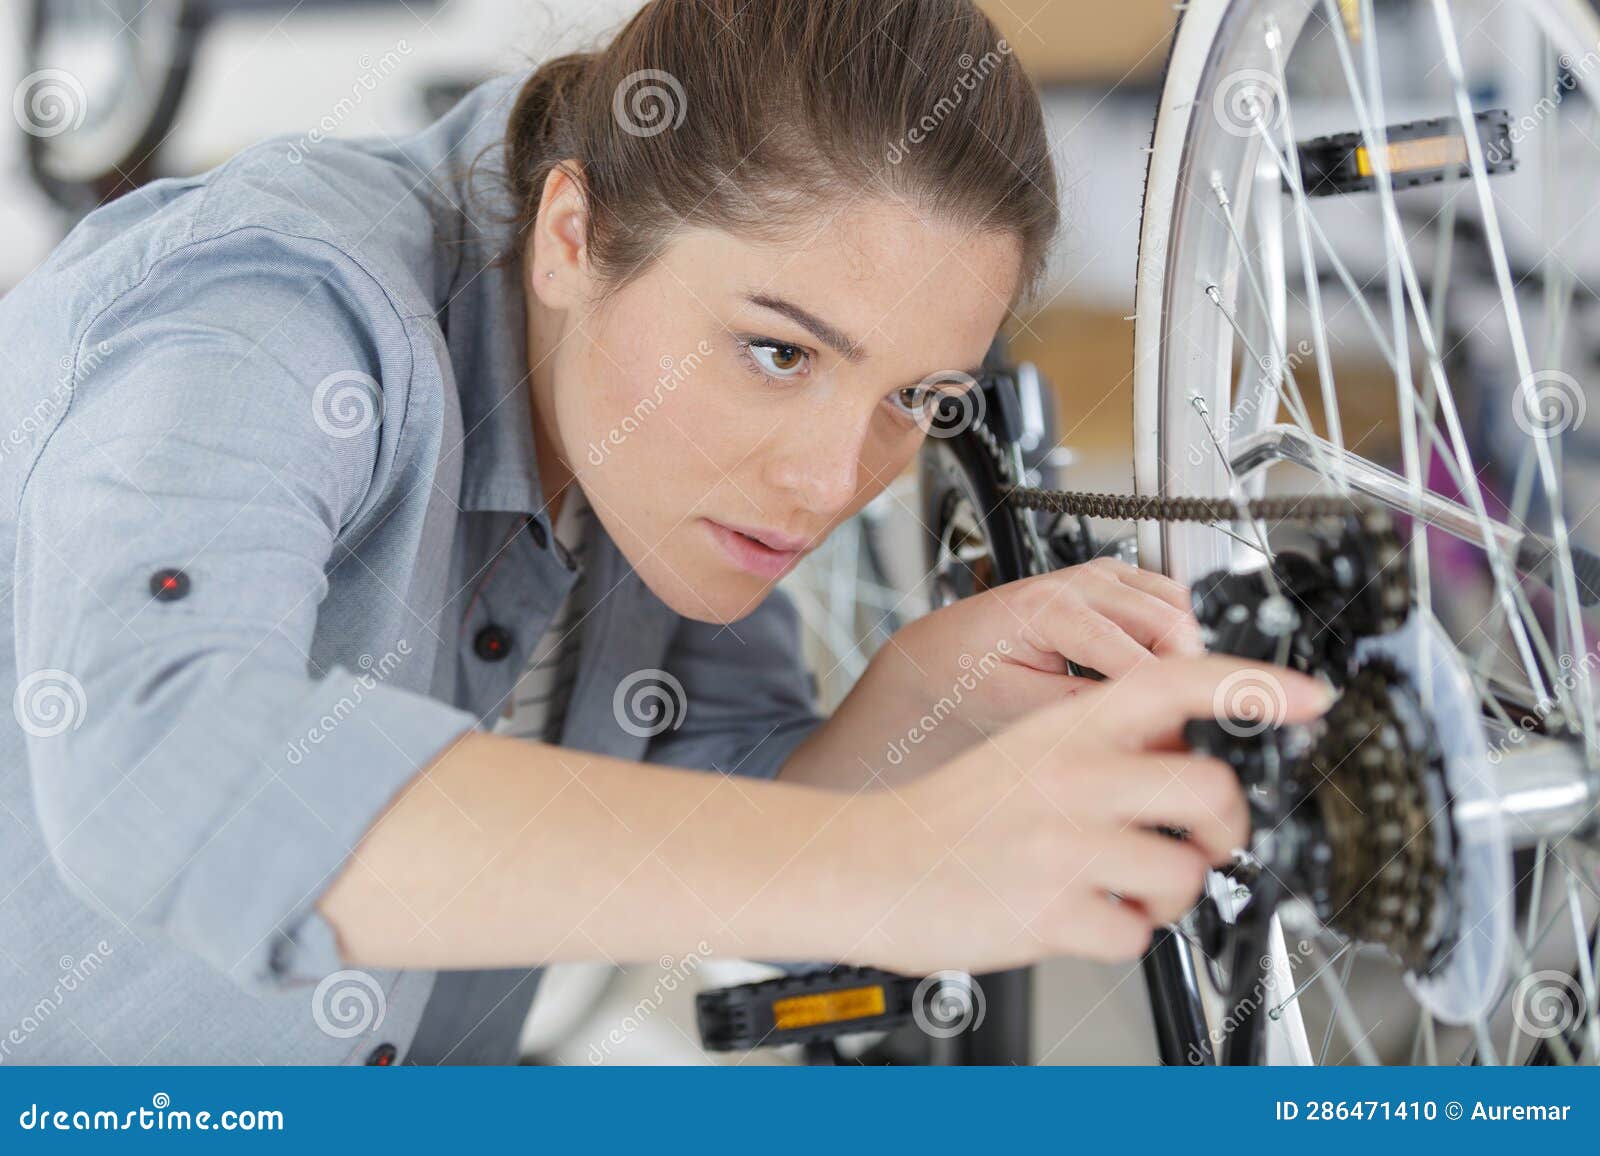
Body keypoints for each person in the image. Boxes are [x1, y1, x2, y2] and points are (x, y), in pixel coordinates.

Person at [0, 0, 1329, 1064]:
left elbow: (707, 844)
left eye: (914, 401)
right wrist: (880, 863)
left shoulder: (654, 457)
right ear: (573, 234)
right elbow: (157, 770)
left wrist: (922, 713)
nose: (828, 481)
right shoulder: (269, 309)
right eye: (777, 352)